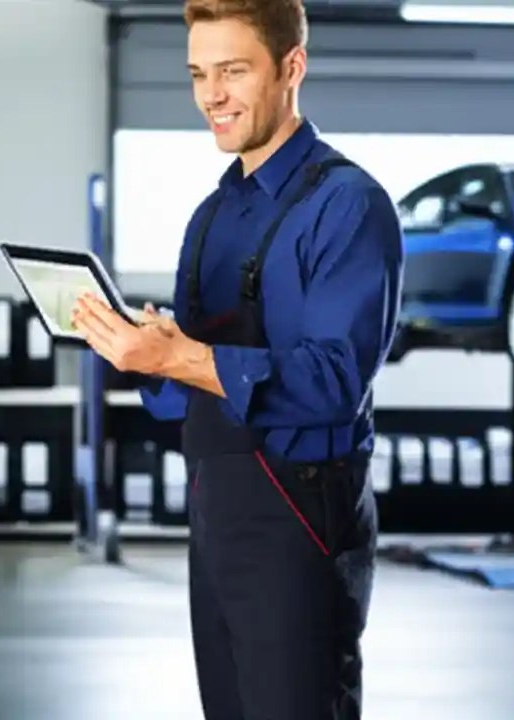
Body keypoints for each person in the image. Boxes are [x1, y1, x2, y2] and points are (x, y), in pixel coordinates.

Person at [71, 0, 403, 717]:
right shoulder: (212, 216)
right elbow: (182, 389)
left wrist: (184, 357)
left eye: (232, 71)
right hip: (216, 507)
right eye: (197, 74)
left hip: (304, 518)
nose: (211, 96)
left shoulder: (348, 206)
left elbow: (334, 382)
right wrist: (140, 353)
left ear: (292, 67)